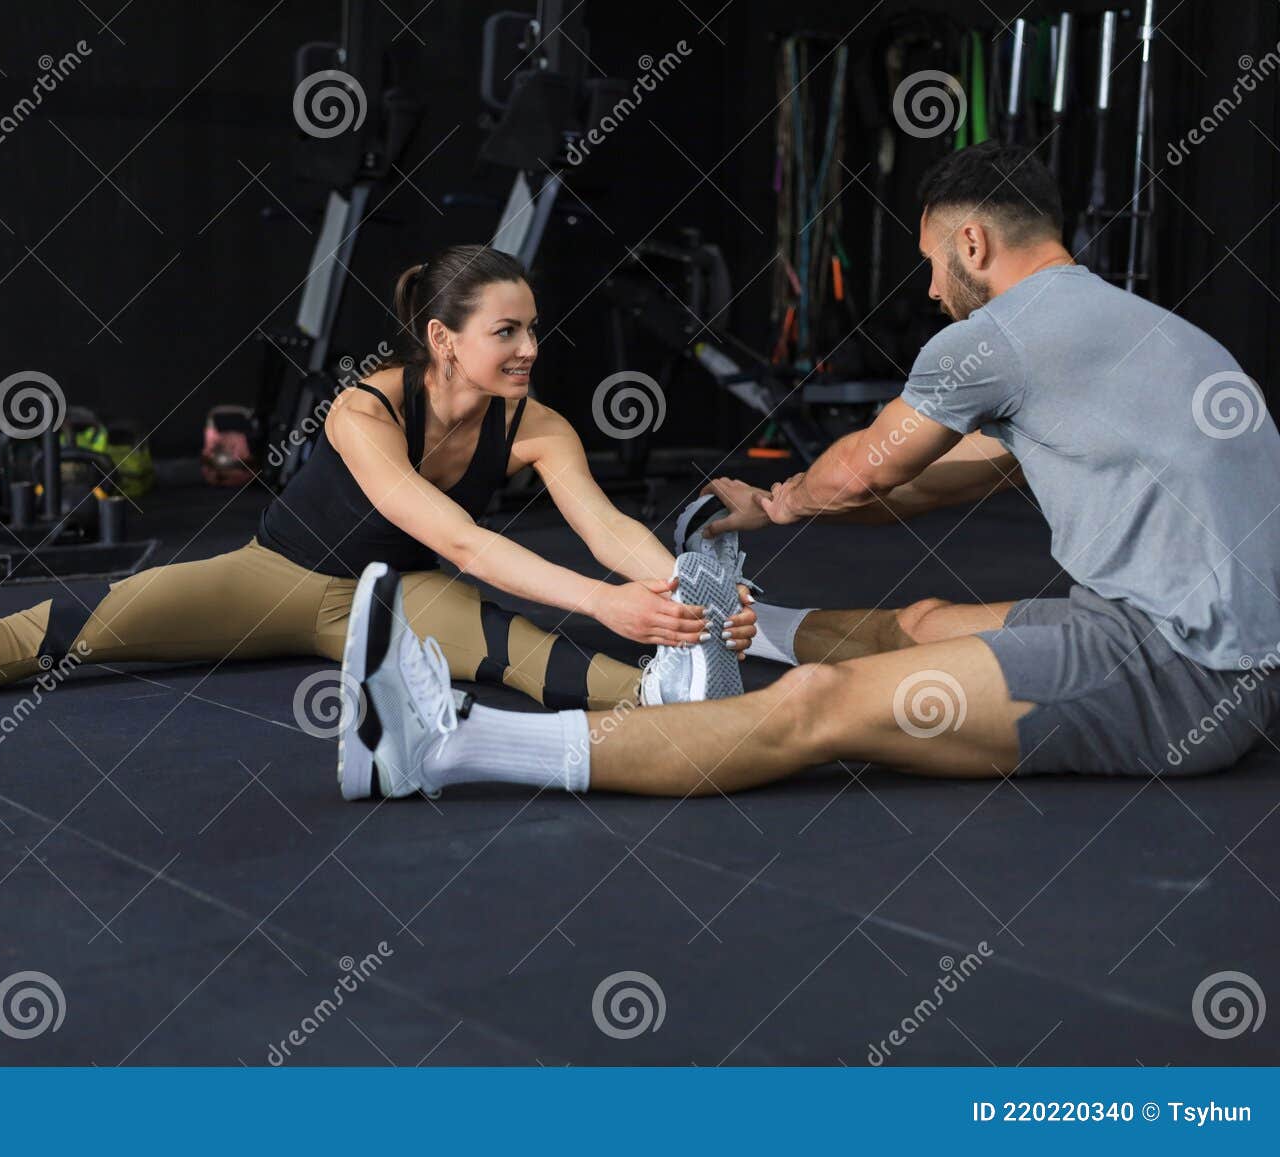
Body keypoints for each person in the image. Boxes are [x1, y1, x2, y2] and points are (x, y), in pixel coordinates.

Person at [338, 143, 1280, 800]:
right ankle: (755, 631)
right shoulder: (1124, 330)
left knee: (818, 708)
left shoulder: (998, 335)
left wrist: (785, 497)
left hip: (1183, 674)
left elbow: (865, 471)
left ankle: (451, 747)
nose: (930, 291)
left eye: (932, 265)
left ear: (974, 246)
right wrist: (768, 519)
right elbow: (959, 480)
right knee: (922, 624)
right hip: (1197, 641)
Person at [0, 246, 753, 726]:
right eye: (507, 330)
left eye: (533, 326)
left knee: (525, 654)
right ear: (443, 339)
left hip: (396, 597)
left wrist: (688, 594)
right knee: (66, 628)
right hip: (278, 578)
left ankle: (678, 698)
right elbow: (464, 535)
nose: (531, 345)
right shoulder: (363, 408)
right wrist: (606, 598)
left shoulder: (541, 428)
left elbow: (608, 526)